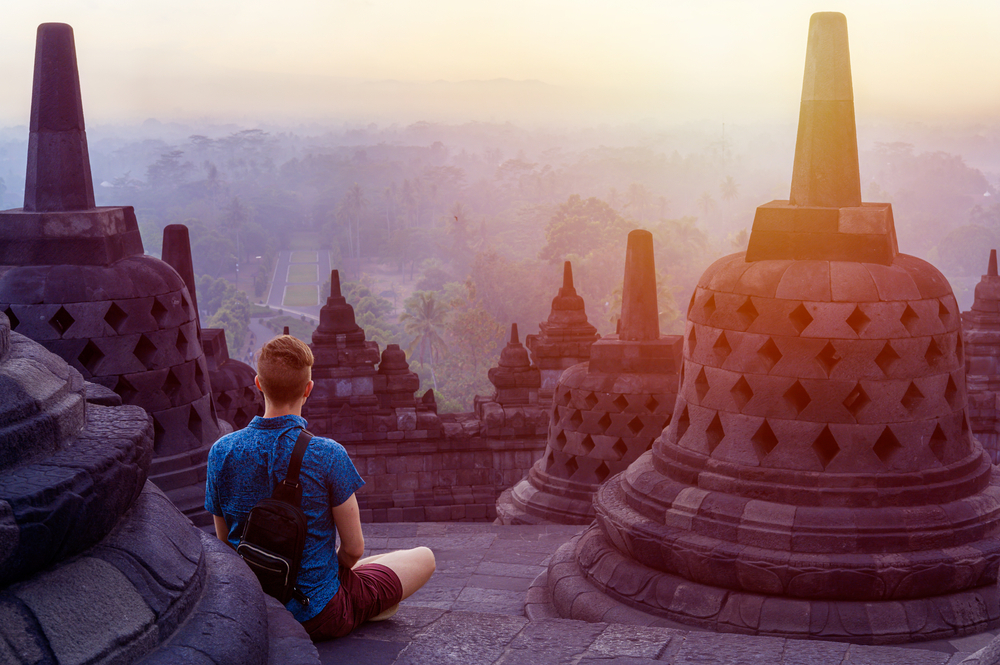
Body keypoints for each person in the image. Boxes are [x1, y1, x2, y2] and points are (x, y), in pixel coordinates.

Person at [205, 335, 435, 639]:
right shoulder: (327, 454)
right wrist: (325, 575)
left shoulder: (221, 451)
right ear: (308, 389)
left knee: (371, 568)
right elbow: (353, 550)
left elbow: (225, 543)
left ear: (258, 384)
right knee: (424, 557)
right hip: (319, 613)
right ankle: (357, 603)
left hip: (256, 608)